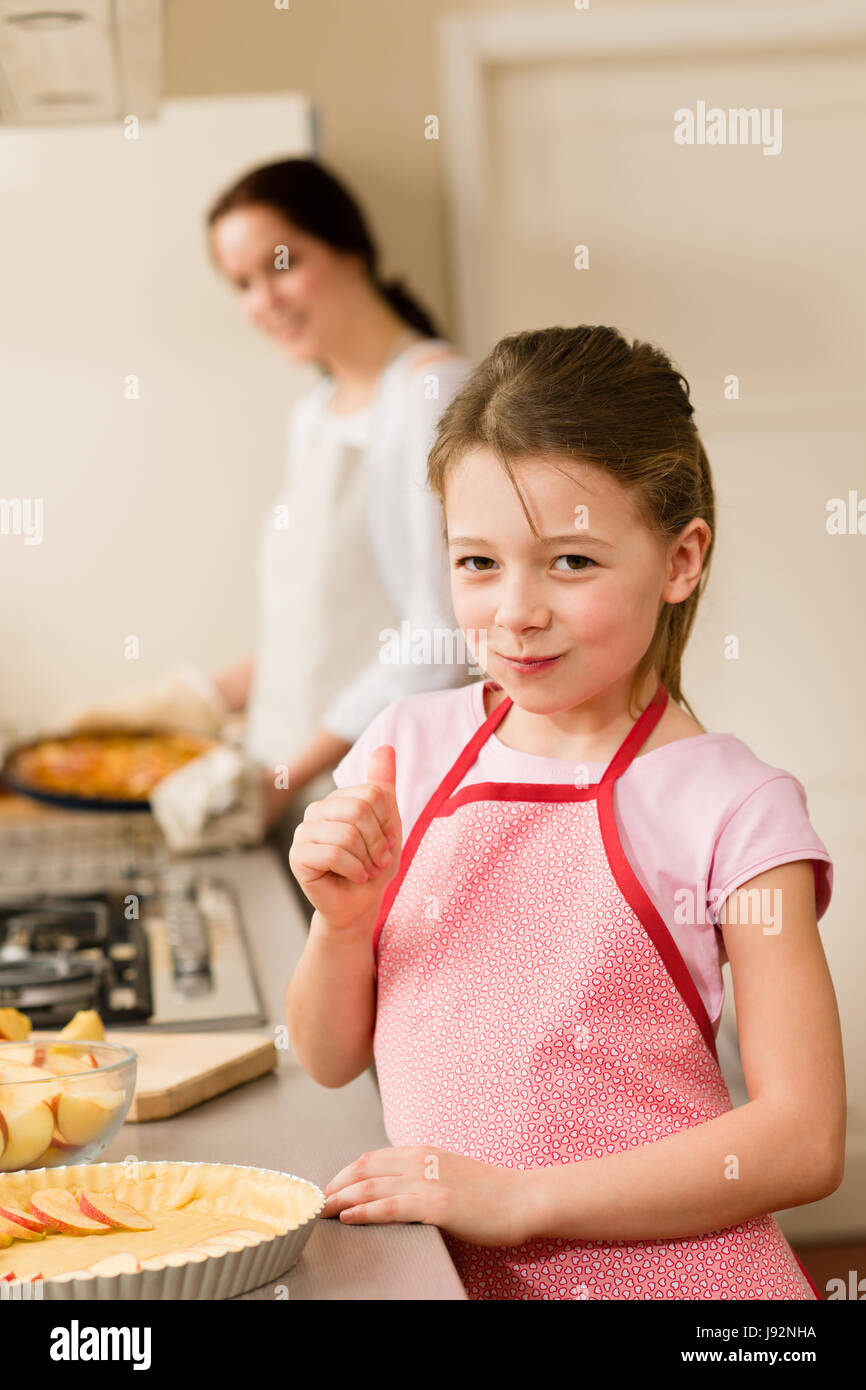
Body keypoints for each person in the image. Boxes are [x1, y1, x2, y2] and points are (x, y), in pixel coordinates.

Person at [285, 324, 845, 1300]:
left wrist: (520, 1199)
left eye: (570, 562)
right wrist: (342, 925)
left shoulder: (734, 810)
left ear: (678, 560)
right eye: (476, 563)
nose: (513, 610)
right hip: (453, 1277)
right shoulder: (403, 750)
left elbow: (802, 1137)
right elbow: (330, 1057)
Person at [64, 160, 474, 873]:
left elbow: (441, 637)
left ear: (352, 248)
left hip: (374, 796)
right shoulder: (313, 414)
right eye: (242, 284)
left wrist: (286, 776)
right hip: (296, 794)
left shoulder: (431, 392)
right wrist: (193, 700)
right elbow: (322, 625)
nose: (264, 300)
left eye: (281, 265)